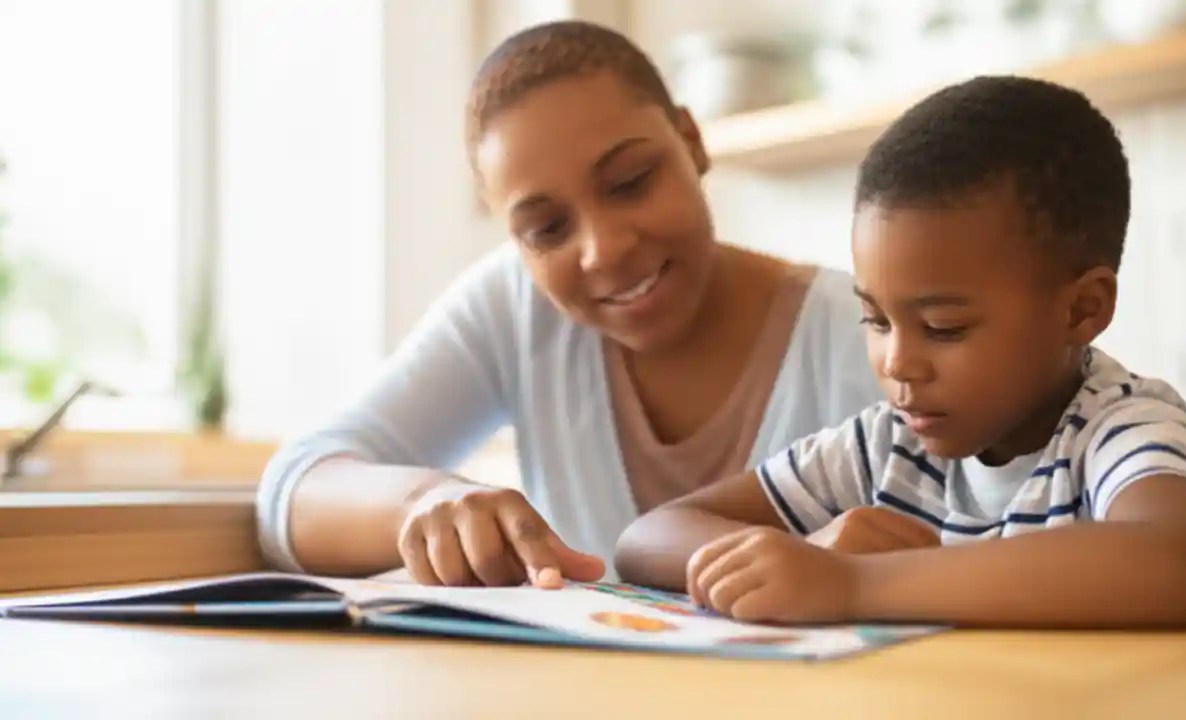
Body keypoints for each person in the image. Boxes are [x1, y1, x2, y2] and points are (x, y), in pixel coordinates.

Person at [615, 75, 1186, 627]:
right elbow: (646, 539)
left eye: (944, 328)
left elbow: (1173, 570)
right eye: (875, 319)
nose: (897, 363)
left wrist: (854, 585)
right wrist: (808, 550)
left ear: (1081, 310)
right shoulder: (883, 450)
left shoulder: (1123, 427)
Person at [255, 20, 881, 588]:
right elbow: (293, 492)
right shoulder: (516, 309)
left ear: (691, 141)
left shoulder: (866, 335)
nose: (604, 250)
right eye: (547, 229)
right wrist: (422, 502)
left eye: (631, 182)